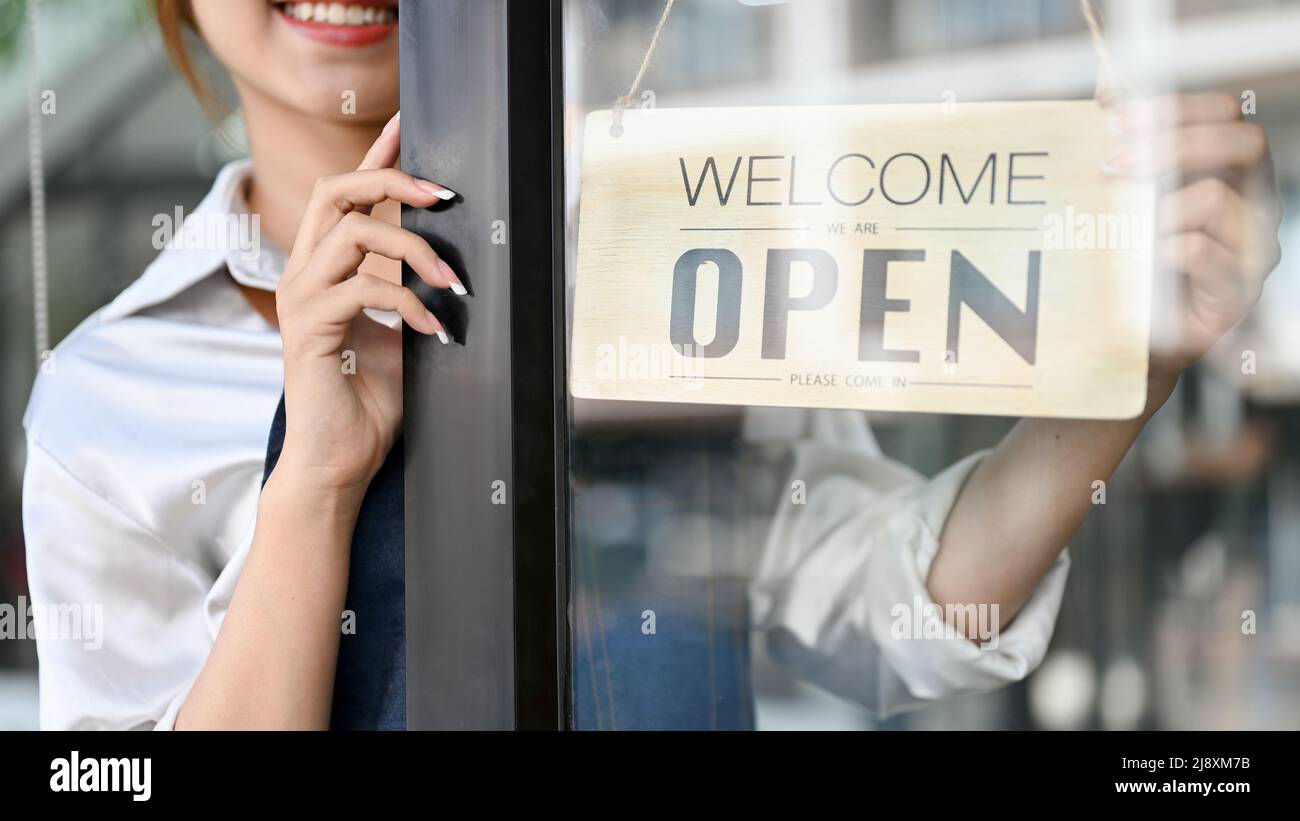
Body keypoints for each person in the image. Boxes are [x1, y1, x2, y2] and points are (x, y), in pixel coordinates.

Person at [20, 0, 1282, 729]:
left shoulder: (657, 260)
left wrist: (1124, 372)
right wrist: (314, 492)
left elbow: (884, 616)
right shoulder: (106, 395)